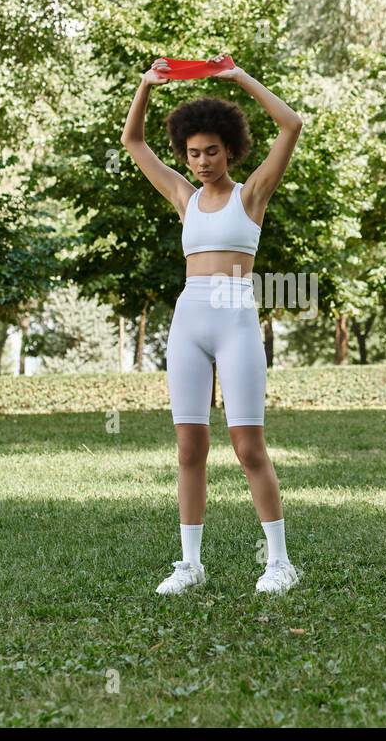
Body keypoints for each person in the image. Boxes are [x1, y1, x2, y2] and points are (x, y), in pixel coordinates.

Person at [120, 55, 304, 595]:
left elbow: (291, 125)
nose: (201, 162)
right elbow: (134, 142)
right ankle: (190, 564)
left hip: (236, 319)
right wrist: (146, 85)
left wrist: (238, 77)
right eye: (193, 153)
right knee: (189, 446)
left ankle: (279, 563)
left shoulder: (252, 194)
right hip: (189, 320)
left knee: (248, 446)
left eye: (211, 152)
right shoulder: (185, 197)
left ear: (230, 149)